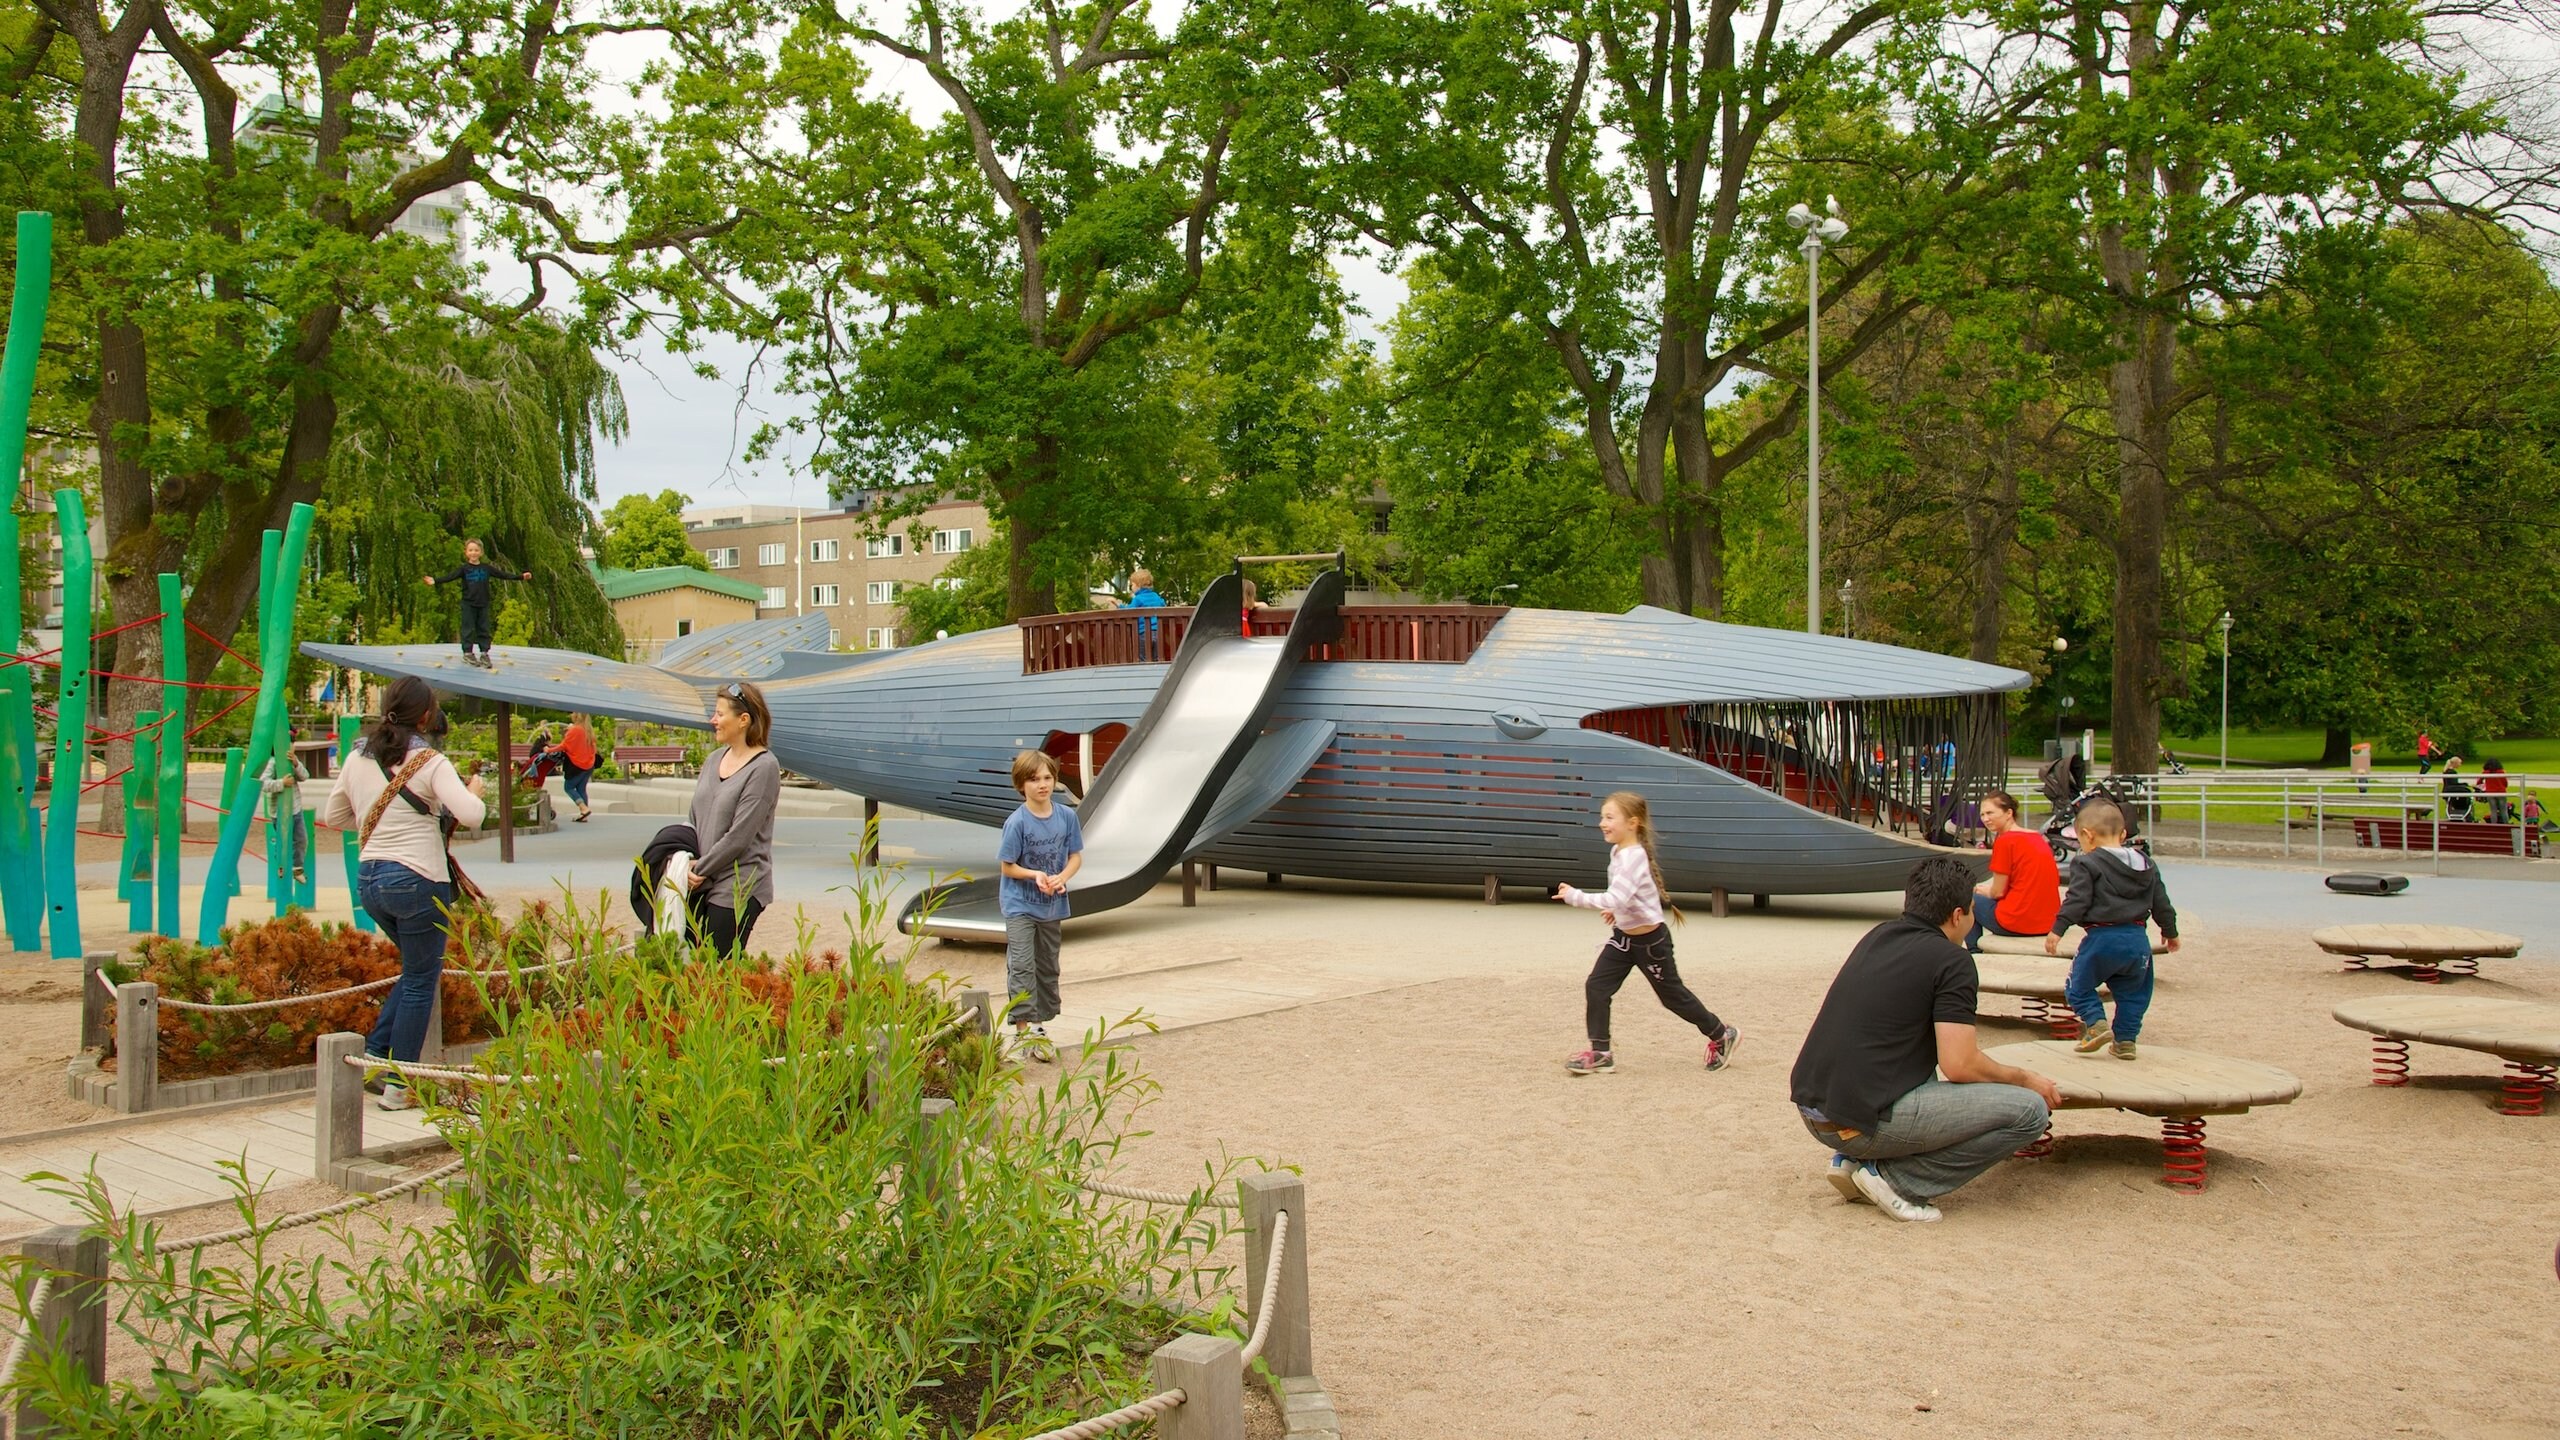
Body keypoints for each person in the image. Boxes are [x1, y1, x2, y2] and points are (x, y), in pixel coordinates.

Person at [1792, 856, 2063, 1222]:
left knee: (1918, 1062)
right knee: (2028, 1112)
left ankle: (1856, 1162)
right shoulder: (1951, 961)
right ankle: (1896, 1180)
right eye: (1971, 911)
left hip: (1817, 1110)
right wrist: (2025, 1078)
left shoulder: (1879, 936)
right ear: (1956, 916)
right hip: (1857, 1123)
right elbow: (1960, 1064)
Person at [317, 675, 487, 1112]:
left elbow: (333, 815)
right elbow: (471, 816)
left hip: (370, 882)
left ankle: (375, 1058)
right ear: (427, 716)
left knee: (415, 972)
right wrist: (474, 793)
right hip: (416, 879)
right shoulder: (429, 760)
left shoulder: (358, 756)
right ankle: (399, 1083)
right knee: (419, 981)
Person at [1552, 791, 1736, 1076]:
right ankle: (1601, 1052)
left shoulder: (1634, 857)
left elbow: (1617, 896)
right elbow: (1628, 896)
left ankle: (1721, 1034)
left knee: (1673, 997)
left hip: (1651, 944)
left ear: (1633, 823)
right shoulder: (1618, 852)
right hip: (1623, 939)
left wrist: (1576, 896)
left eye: (1610, 817)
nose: (1603, 823)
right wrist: (1619, 912)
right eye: (1602, 816)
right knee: (1597, 986)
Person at [2044, 799, 2179, 1060]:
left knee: (2078, 987)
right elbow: (2161, 902)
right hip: (2137, 941)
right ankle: (2126, 1042)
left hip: (2101, 939)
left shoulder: (2087, 863)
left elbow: (2078, 900)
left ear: (2087, 835)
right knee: (2134, 994)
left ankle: (2095, 1024)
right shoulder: (2146, 864)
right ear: (2124, 833)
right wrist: (2170, 931)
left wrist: (2058, 928)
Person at [998, 749, 1085, 1062]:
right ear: (1022, 784)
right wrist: (1035, 874)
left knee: (1047, 966)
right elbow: (1007, 866)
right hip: (1019, 904)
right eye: (1034, 779)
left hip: (1052, 904)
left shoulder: (1066, 817)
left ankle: (1038, 1029)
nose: (1042, 784)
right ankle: (1021, 1032)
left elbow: (1075, 855)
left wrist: (1061, 877)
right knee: (1021, 964)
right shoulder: (1017, 822)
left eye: (1047, 777)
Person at [686, 681, 781, 954]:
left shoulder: (763, 767)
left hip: (738, 885)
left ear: (743, 720)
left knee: (717, 968)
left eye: (719, 713)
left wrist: (700, 869)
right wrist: (684, 860)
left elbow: (739, 837)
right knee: (694, 967)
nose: (712, 720)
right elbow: (693, 817)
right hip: (700, 878)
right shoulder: (714, 759)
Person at [1967, 791, 2060, 953]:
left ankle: (1974, 952)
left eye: (1990, 813)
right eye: (1982, 814)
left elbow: (1998, 892)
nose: (1985, 818)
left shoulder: (2005, 840)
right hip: (2049, 922)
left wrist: (1982, 890)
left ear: (2009, 813)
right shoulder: (2036, 837)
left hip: (2018, 922)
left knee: (1967, 896)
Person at [423, 539, 531, 669]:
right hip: (468, 603)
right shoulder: (464, 569)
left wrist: (520, 577)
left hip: (483, 603)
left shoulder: (486, 568)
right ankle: (467, 653)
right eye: (470, 550)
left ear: (481, 552)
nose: (473, 553)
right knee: (468, 628)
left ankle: (484, 653)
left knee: (483, 628)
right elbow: (450, 576)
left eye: (476, 550)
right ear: (466, 552)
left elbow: (502, 575)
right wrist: (435, 580)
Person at [558, 714, 599, 822]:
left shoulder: (575, 730)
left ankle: (583, 808)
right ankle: (584, 814)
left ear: (576, 717)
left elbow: (564, 745)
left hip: (577, 765)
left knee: (568, 787)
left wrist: (548, 750)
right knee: (581, 789)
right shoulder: (589, 730)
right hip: (589, 765)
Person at [2439, 757, 2474, 822]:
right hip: (2450, 790)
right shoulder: (2452, 772)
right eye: (2460, 763)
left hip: (2446, 790)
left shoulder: (2446, 771)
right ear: (2455, 763)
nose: (2460, 765)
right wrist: (2465, 785)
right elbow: (2453, 784)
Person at [2481, 758, 2511, 825]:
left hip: (2490, 793)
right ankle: (2506, 824)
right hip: (2501, 792)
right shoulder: (2501, 772)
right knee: (2503, 810)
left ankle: (2493, 825)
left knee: (2493, 810)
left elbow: (2479, 781)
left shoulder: (2485, 772)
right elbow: (2505, 783)